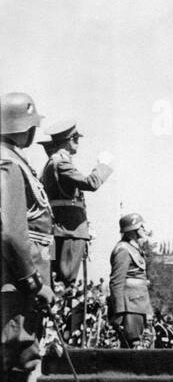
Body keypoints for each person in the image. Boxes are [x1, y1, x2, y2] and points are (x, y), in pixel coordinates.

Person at [1, 92, 59, 382]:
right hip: (17, 280)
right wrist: (33, 281)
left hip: (21, 279)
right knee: (14, 355)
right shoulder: (8, 164)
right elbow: (10, 232)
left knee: (20, 357)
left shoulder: (16, 161)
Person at [38, 120, 114, 285]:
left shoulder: (51, 163)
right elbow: (91, 183)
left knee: (50, 277)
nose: (78, 143)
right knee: (64, 281)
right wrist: (103, 165)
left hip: (56, 230)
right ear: (69, 140)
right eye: (76, 139)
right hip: (69, 231)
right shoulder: (61, 162)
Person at [108, 212, 151, 348]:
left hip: (138, 305)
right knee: (133, 345)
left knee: (142, 346)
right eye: (141, 226)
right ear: (132, 230)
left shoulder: (134, 249)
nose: (144, 229)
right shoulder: (123, 250)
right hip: (129, 307)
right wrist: (119, 311)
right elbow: (116, 282)